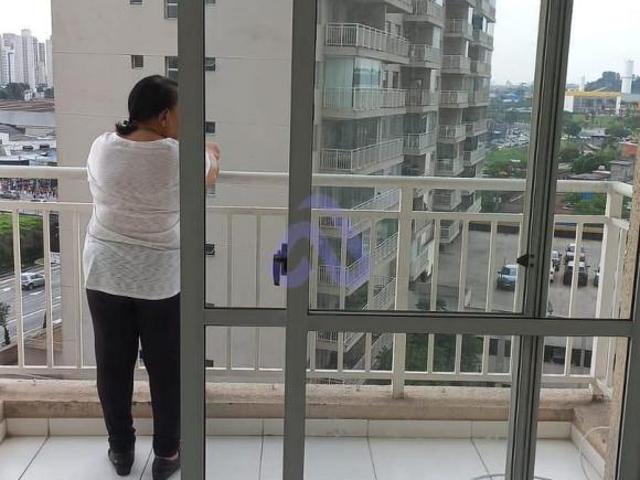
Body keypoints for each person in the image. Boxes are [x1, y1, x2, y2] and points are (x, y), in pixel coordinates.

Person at [83, 75, 219, 479]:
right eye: (180, 113)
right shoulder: (179, 157)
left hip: (104, 271)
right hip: (159, 279)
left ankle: (121, 449)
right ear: (163, 117)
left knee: (112, 366)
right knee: (166, 368)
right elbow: (210, 171)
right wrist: (209, 152)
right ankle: (167, 453)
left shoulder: (102, 146)